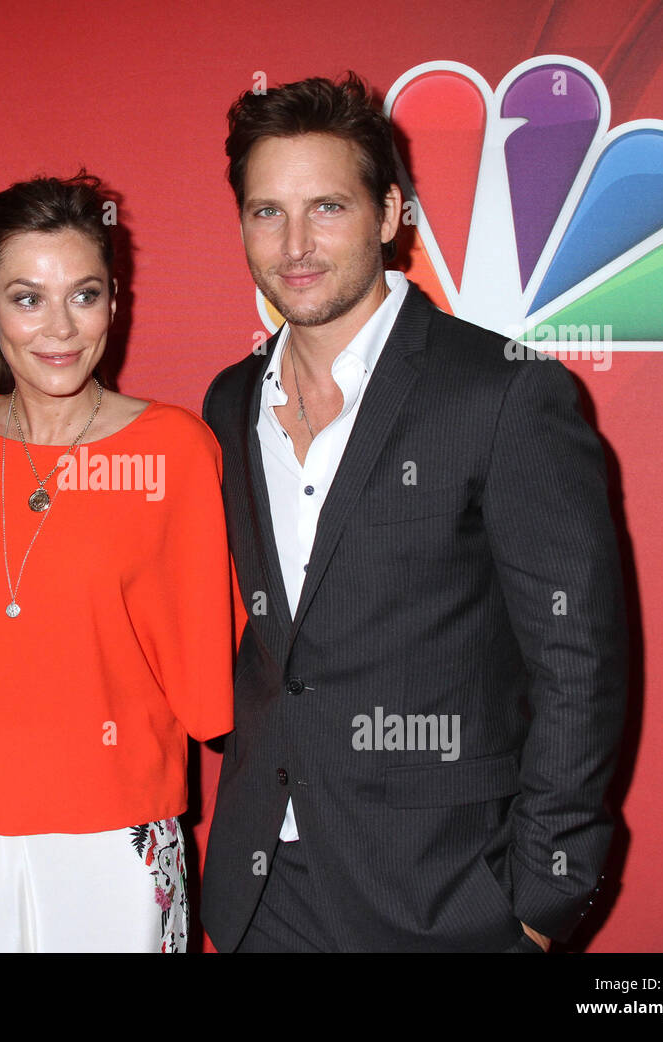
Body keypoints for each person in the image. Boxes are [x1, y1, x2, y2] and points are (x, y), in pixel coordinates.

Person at [199, 74, 627, 952]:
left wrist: (540, 902)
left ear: (391, 212)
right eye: (267, 212)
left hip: (441, 895)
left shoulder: (502, 393)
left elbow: (578, 658)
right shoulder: (229, 400)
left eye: (327, 207)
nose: (294, 244)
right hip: (263, 893)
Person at [0, 174, 235, 952]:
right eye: (27, 298)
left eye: (84, 295)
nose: (61, 328)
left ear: (115, 301)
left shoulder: (174, 449)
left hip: (114, 827)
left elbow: (206, 681)